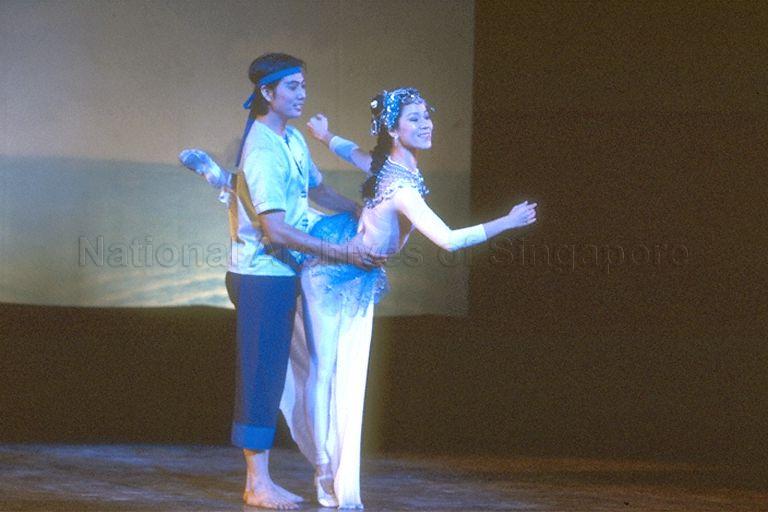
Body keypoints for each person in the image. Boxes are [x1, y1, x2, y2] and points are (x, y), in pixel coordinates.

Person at [180, 87, 537, 509]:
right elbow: (449, 240)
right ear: (393, 129)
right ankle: (324, 469)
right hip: (335, 268)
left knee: (299, 229)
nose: (428, 124)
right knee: (324, 367)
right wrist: (508, 222)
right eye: (416, 119)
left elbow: (352, 152)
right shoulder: (400, 188)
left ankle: (222, 180)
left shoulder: (385, 166)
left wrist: (325, 136)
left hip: (347, 252)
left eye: (428, 116)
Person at [215, 52, 382, 511]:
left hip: (284, 272)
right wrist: (343, 251)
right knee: (261, 374)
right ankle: (256, 483)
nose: (302, 93)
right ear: (267, 93)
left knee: (284, 373)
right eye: (292, 86)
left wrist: (357, 209)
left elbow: (317, 191)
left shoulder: (290, 140)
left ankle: (268, 476)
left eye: (303, 84)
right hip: (259, 274)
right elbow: (276, 229)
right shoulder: (262, 149)